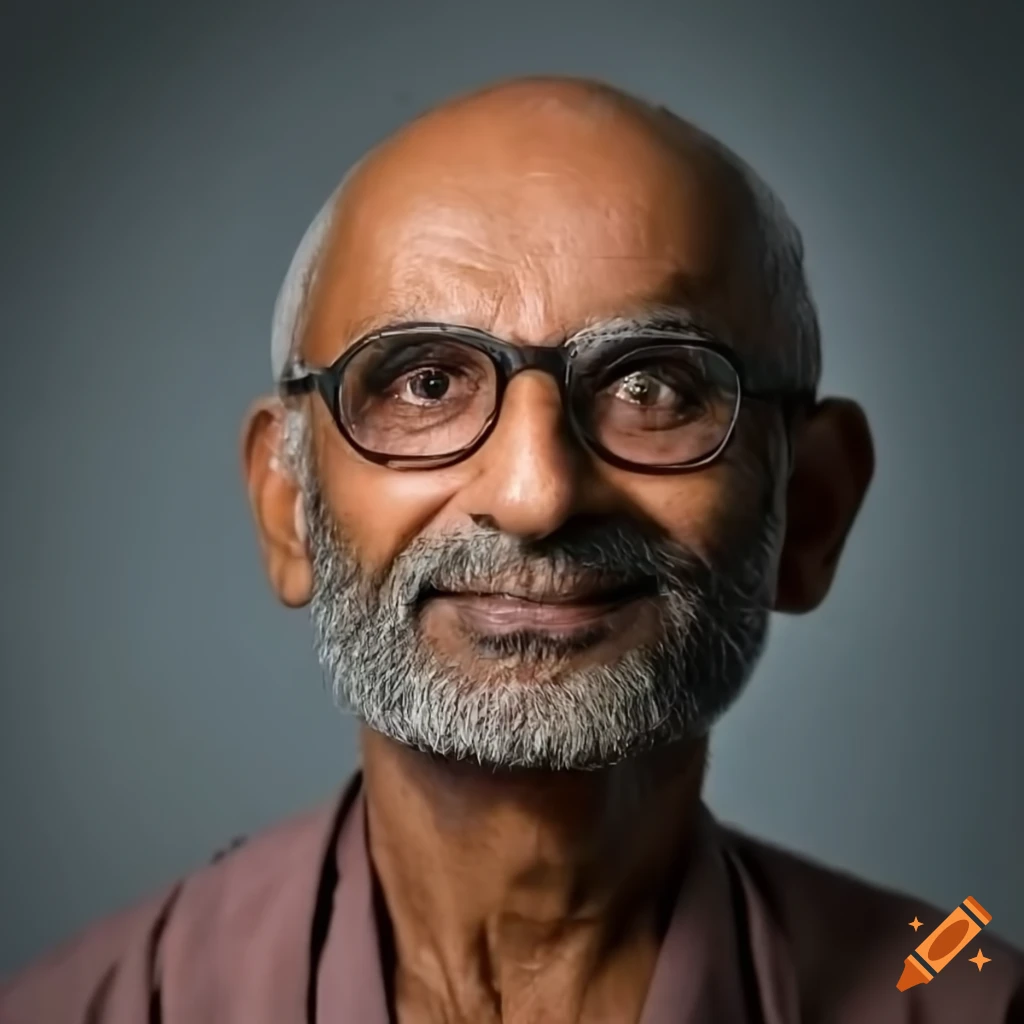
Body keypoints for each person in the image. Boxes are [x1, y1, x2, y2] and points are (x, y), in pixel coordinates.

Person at [2, 75, 1020, 1024]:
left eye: (652, 387)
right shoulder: (75, 1006)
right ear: (288, 505)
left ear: (814, 506)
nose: (534, 495)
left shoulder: (962, 982)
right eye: (426, 383)